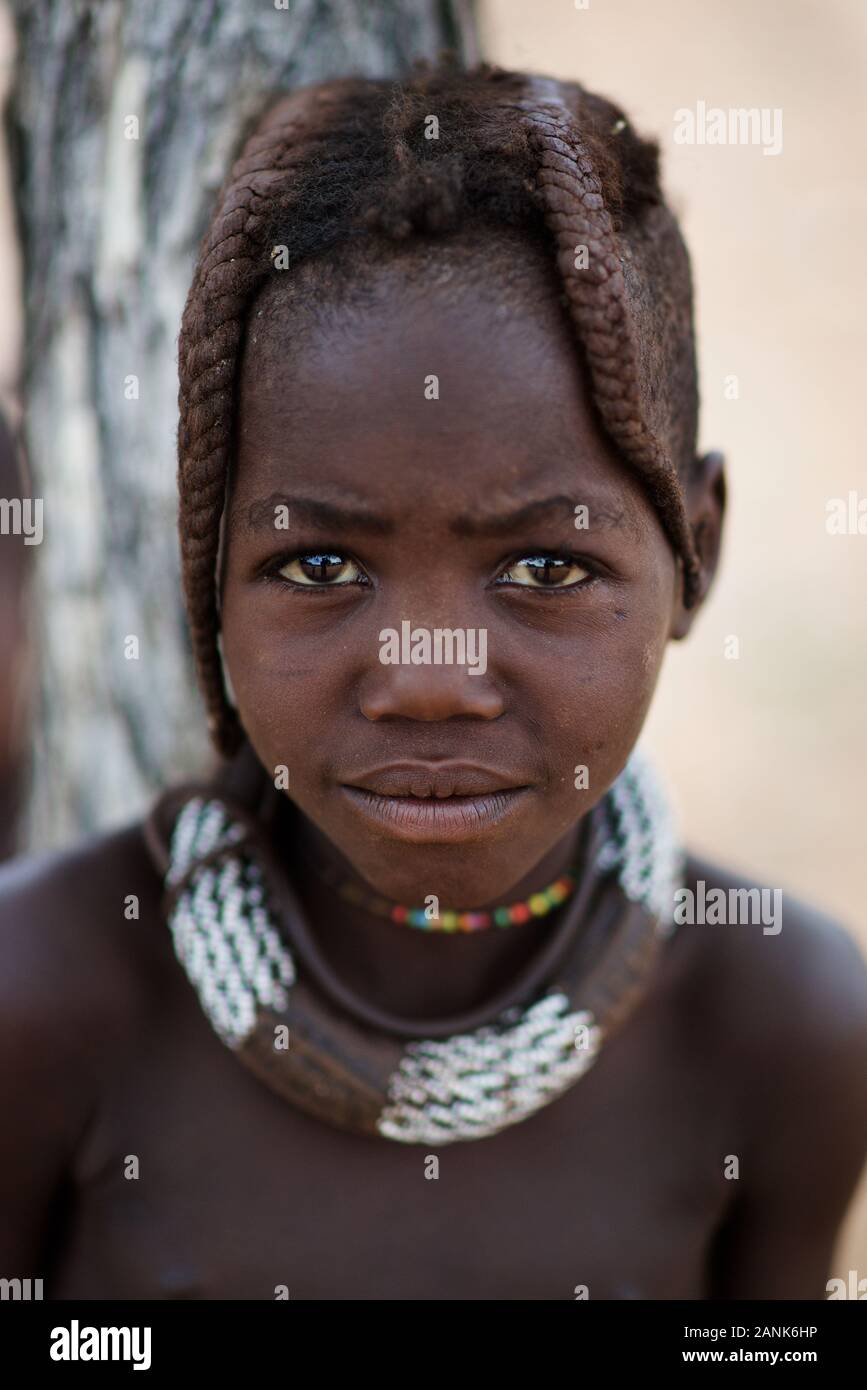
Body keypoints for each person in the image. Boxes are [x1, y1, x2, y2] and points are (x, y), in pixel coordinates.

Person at [1, 63, 865, 1301]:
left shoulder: (780, 1028)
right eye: (317, 562)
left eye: (545, 565)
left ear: (696, 550)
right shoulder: (42, 1003)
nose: (429, 684)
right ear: (207, 569)